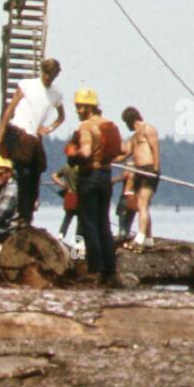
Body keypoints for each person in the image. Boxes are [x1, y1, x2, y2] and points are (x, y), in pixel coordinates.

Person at [0, 58, 64, 228]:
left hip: (34, 138)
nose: (48, 78)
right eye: (46, 74)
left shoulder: (56, 94)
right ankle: (20, 215)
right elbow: (10, 109)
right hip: (18, 131)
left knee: (35, 175)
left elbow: (62, 116)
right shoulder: (27, 85)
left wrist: (50, 128)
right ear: (41, 71)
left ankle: (27, 217)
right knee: (23, 175)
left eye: (51, 75)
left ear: (56, 74)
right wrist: (0, 134)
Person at [68, 88, 123, 282]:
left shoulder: (86, 126)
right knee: (104, 223)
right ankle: (111, 270)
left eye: (79, 106)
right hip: (106, 175)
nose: (77, 110)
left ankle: (95, 269)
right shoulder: (107, 124)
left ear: (88, 107)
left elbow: (85, 152)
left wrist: (72, 156)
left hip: (89, 175)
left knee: (88, 223)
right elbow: (120, 151)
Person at [117, 107, 161, 249]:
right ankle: (148, 238)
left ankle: (140, 237)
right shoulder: (134, 137)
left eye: (126, 123)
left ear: (131, 120)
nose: (126, 126)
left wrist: (155, 168)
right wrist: (107, 160)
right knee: (143, 205)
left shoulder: (148, 129)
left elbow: (155, 148)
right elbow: (124, 154)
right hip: (138, 171)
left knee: (142, 203)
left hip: (149, 169)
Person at [51, 158, 80, 240]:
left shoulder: (65, 168)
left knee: (67, 218)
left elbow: (53, 176)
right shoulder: (79, 168)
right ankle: (78, 241)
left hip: (68, 196)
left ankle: (61, 235)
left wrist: (61, 184)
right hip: (79, 197)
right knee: (80, 221)